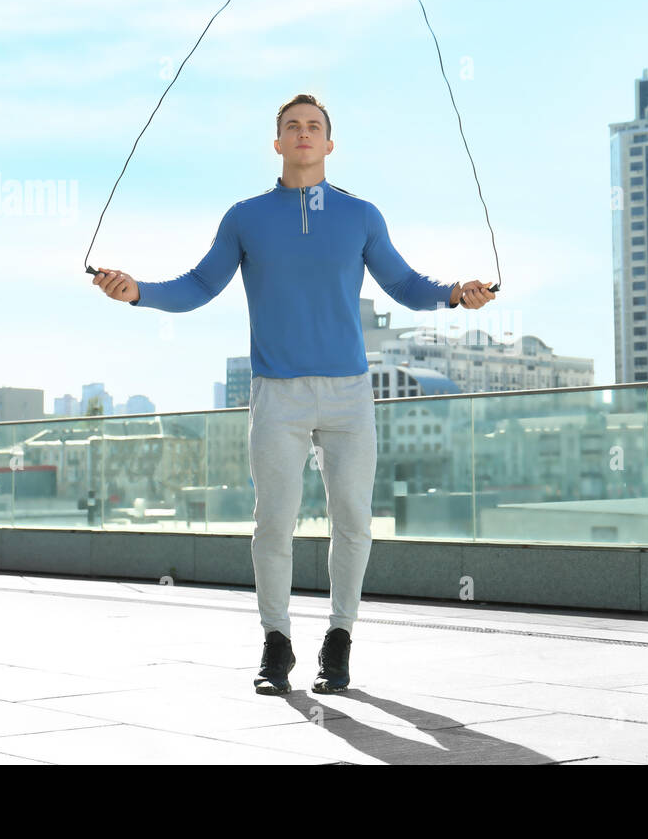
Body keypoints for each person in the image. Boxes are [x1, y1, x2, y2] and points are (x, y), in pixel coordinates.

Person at [91, 93, 496, 695]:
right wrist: (137, 293)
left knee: (354, 521)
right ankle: (276, 642)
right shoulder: (245, 217)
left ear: (329, 145)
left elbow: (406, 285)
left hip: (350, 394)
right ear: (277, 143)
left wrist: (455, 294)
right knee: (272, 524)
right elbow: (199, 285)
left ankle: (339, 639)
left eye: (314, 127)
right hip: (276, 395)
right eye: (292, 127)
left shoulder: (361, 216)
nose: (303, 134)